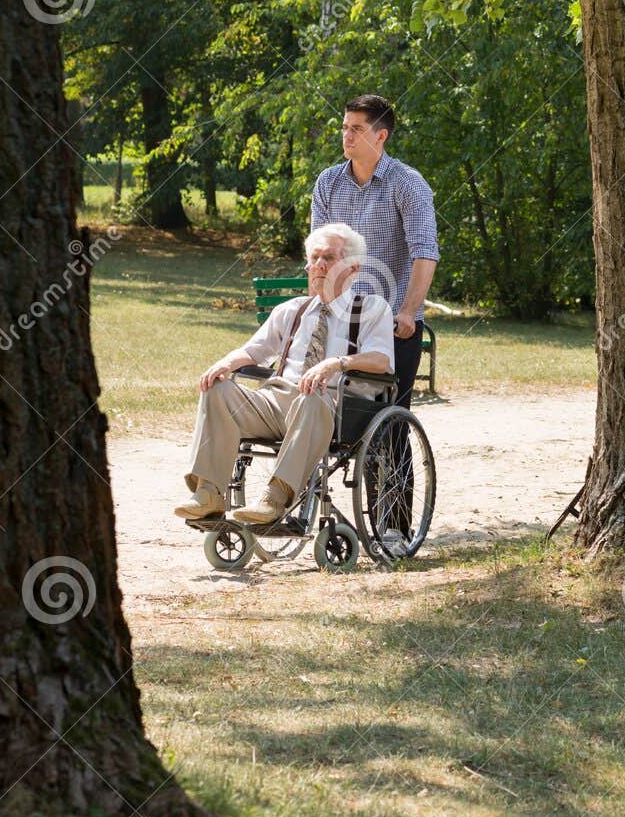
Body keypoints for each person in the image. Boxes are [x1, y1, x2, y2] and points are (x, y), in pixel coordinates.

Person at [174, 223, 394, 527]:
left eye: (329, 258)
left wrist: (335, 363)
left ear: (353, 268)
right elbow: (253, 351)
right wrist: (225, 363)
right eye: (314, 258)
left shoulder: (371, 309)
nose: (319, 265)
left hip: (334, 407)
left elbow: (381, 360)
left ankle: (275, 498)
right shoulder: (291, 310)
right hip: (277, 402)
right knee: (218, 389)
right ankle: (209, 493)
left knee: (312, 396)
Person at [310, 94, 438, 408]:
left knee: (388, 417)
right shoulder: (328, 182)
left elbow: (425, 252)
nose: (347, 136)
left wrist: (408, 311)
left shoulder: (407, 183)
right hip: (338, 318)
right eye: (345, 127)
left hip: (393, 323)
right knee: (325, 410)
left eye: (356, 129)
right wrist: (315, 306)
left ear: (381, 136)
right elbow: (317, 254)